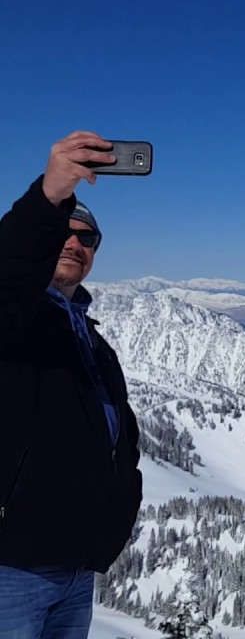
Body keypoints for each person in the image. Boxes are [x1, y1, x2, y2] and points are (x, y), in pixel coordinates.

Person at [0, 131, 144, 639]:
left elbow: (120, 446)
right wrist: (48, 197)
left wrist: (107, 534)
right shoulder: (14, 320)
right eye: (64, 230)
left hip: (77, 573)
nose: (74, 242)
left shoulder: (94, 344)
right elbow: (9, 272)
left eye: (88, 238)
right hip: (11, 570)